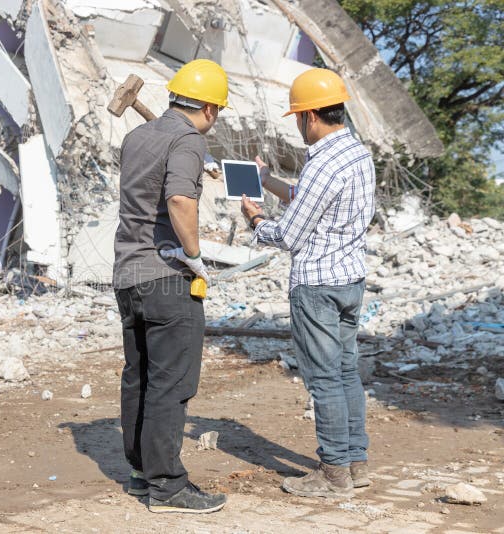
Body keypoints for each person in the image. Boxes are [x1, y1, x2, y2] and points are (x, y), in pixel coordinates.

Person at [241, 68, 376, 499]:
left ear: (310, 116)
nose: (299, 125)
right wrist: (265, 181)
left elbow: (288, 235)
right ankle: (356, 464)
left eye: (298, 117)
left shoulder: (321, 160)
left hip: (316, 285)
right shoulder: (357, 154)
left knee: (324, 380)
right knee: (345, 372)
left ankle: (333, 473)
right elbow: (311, 199)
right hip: (350, 280)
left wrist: (256, 220)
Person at [112, 59, 228, 514]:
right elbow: (179, 198)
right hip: (166, 277)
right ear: (211, 109)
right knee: (171, 382)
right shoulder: (189, 140)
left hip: (127, 274)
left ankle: (142, 473)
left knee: (138, 377)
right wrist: (195, 257)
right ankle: (168, 487)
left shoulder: (138, 137)